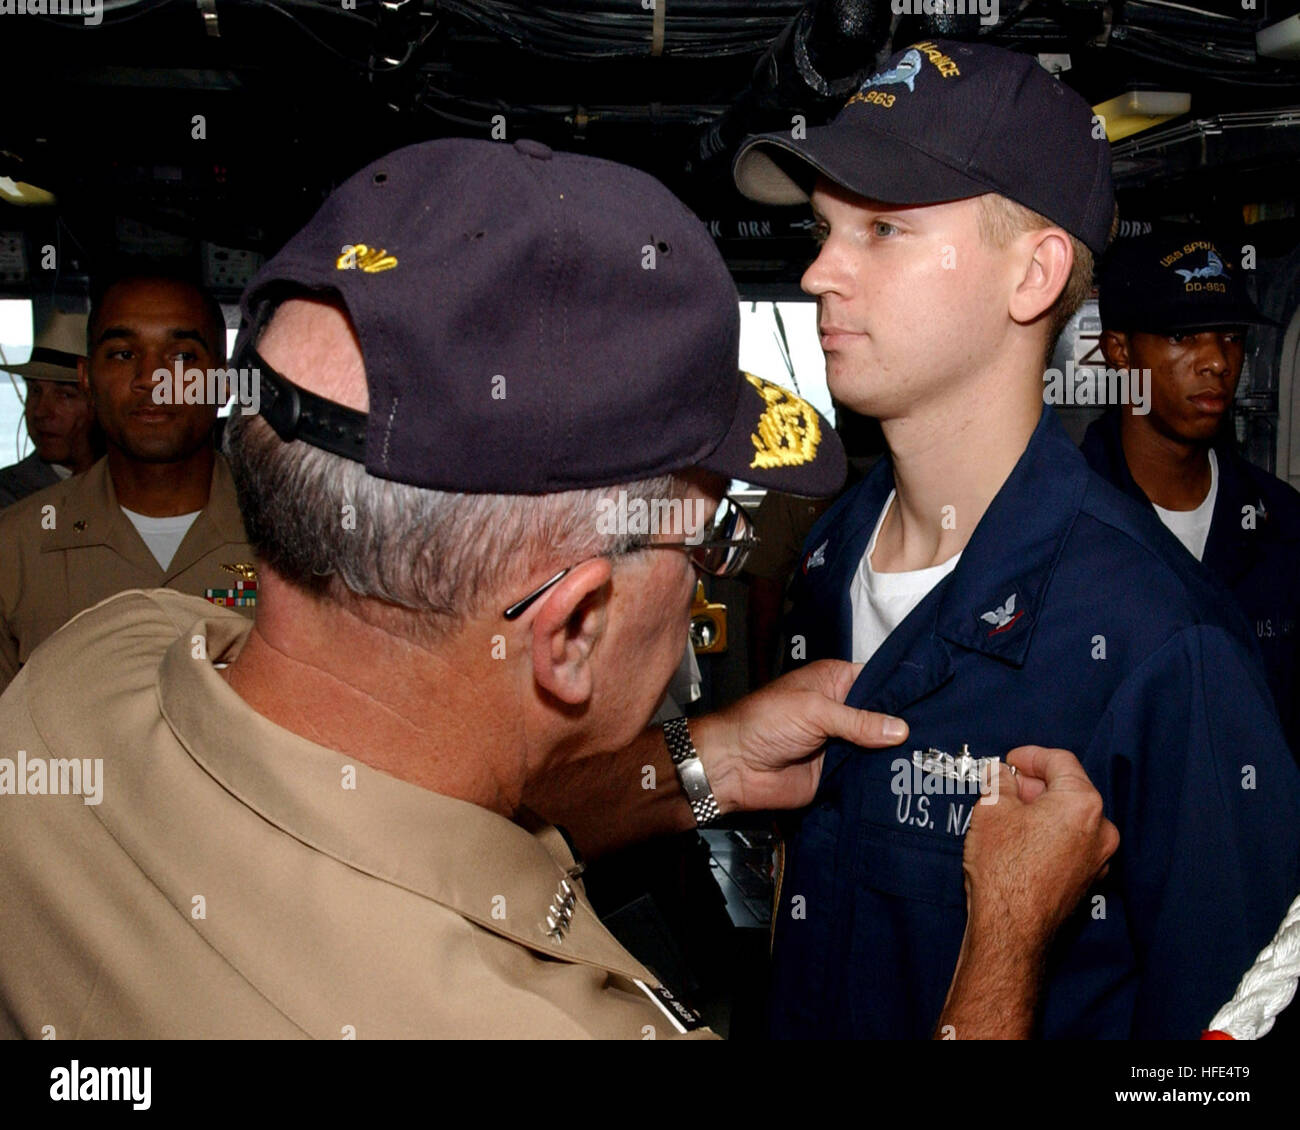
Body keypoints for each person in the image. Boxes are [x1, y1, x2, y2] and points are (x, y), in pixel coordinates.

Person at [0, 137, 1116, 1039]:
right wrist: (1005, 941)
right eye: (706, 544)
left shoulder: (91, 671)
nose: (704, 582)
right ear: (573, 626)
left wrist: (697, 761)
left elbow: (410, 771)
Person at [731, 38, 1300, 1038]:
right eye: (824, 229)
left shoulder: (1165, 647)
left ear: (1032, 273)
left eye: (882, 228)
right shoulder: (827, 557)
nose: (820, 270)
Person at [1082, 227, 1300, 752]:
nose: (1218, 362)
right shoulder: (1060, 522)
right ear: (1119, 352)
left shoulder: (1284, 526)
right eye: (1183, 336)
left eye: (1230, 335)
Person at [0, 275, 254, 691]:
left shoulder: (294, 551)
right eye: (122, 354)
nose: (151, 377)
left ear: (223, 384)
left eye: (182, 357)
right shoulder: (16, 550)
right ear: (87, 379)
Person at [0, 310, 98, 507]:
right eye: (35, 391)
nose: (40, 412)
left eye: (64, 395)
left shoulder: (138, 484)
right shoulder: (9, 493)